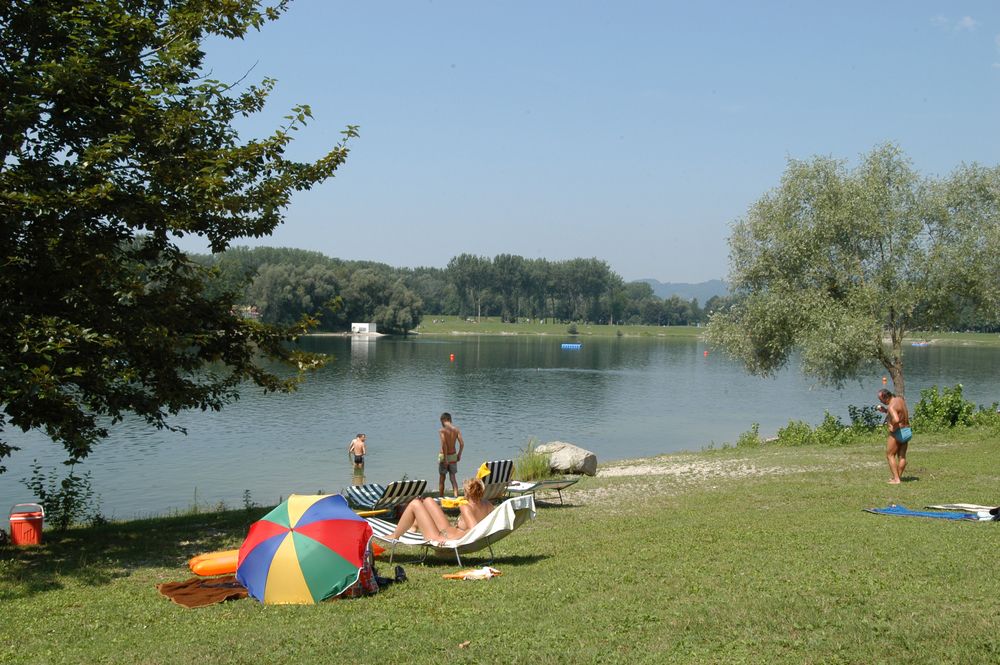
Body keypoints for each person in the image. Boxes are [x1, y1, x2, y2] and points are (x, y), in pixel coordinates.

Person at [390, 478, 492, 543]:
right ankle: (413, 526)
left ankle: (395, 535)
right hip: (448, 531)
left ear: (466, 492)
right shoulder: (488, 505)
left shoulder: (466, 507)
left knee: (415, 504)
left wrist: (450, 541)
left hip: (441, 537)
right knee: (428, 500)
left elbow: (474, 530)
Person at [877, 388, 911, 484]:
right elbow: (899, 412)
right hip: (907, 431)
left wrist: (892, 427)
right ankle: (897, 477)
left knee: (890, 455)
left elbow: (896, 419)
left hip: (897, 432)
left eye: (881, 400)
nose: (881, 402)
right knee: (902, 456)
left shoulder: (891, 406)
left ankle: (896, 479)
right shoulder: (900, 400)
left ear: (885, 397)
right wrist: (885, 411)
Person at [438, 412, 465, 497]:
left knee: (442, 478)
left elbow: (444, 444)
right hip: (453, 456)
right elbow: (462, 444)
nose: (441, 423)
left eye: (441, 421)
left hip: (444, 456)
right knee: (453, 478)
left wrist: (445, 459)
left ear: (444, 420)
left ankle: (441, 497)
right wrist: (459, 454)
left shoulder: (442, 430)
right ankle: (456, 496)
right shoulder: (456, 430)